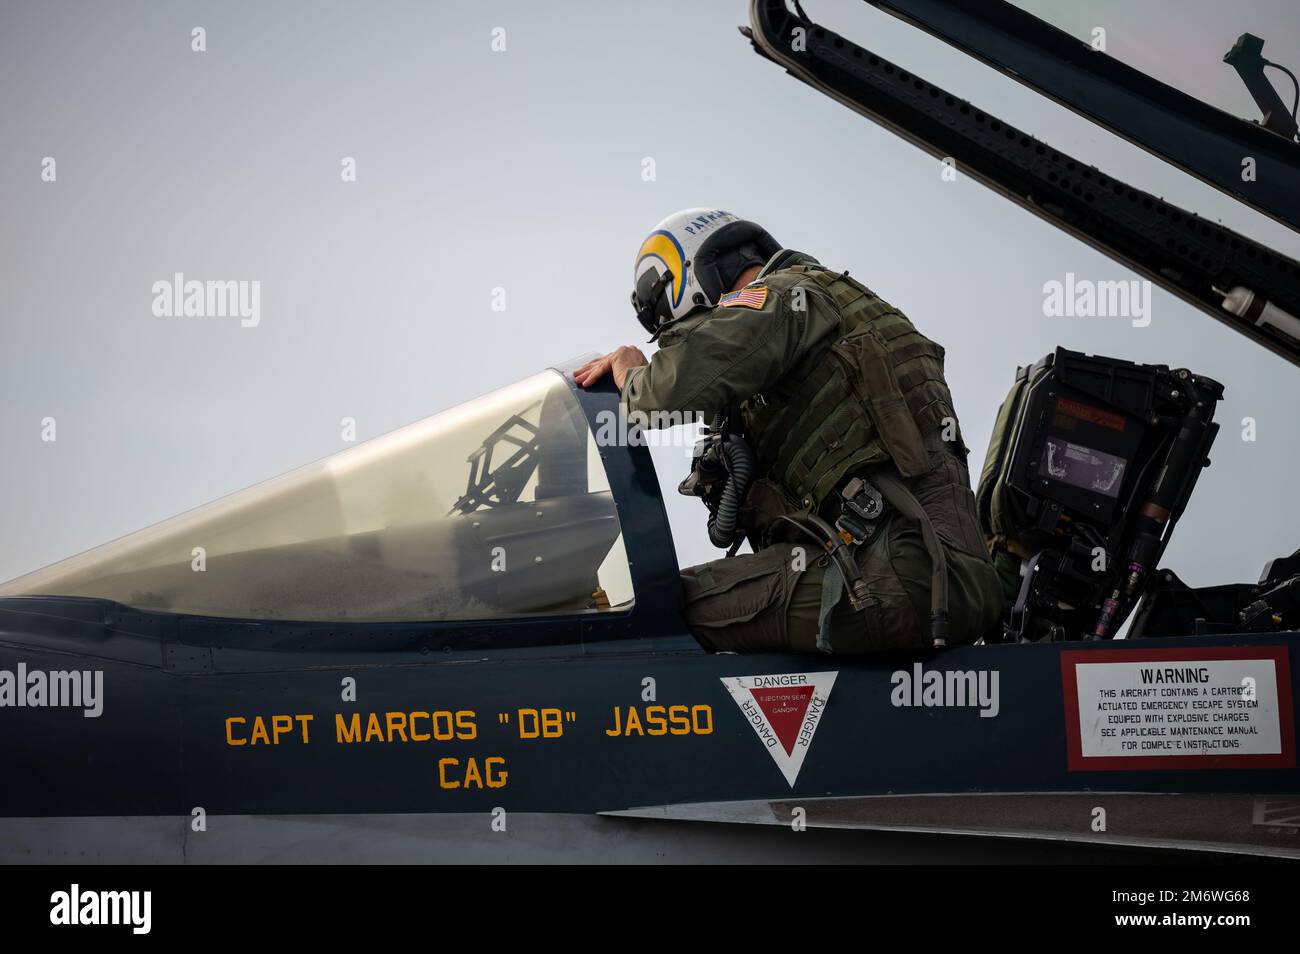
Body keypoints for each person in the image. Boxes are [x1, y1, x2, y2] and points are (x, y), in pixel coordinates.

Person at [575, 208, 1002, 653]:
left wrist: (631, 370)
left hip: (896, 572)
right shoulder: (837, 305)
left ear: (689, 280)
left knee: (651, 614)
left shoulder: (784, 295)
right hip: (938, 573)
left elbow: (664, 395)